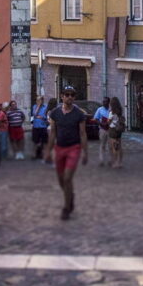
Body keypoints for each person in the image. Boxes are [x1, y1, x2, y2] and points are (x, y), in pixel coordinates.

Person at [44, 87, 88, 220]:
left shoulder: (79, 114)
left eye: (72, 95)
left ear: (74, 98)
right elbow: (52, 133)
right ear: (62, 96)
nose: (69, 97)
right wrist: (48, 151)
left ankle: (66, 207)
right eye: (67, 95)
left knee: (67, 178)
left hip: (74, 148)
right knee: (61, 180)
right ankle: (70, 196)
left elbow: (82, 133)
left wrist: (85, 152)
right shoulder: (55, 113)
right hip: (59, 148)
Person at [93, 97, 112, 166]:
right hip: (102, 129)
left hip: (110, 129)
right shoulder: (100, 109)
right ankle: (101, 160)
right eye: (103, 101)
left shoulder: (111, 110)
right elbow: (96, 118)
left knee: (110, 145)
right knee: (102, 145)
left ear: (108, 102)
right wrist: (101, 123)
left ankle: (110, 160)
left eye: (106, 101)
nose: (104, 103)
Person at [108, 97, 126, 169]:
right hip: (119, 130)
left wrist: (109, 121)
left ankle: (115, 163)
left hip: (113, 130)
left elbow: (109, 122)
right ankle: (120, 162)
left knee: (114, 147)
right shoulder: (120, 111)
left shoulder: (111, 113)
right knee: (119, 147)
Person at [30, 95, 50, 160]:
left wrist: (41, 117)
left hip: (43, 126)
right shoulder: (34, 106)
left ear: (42, 100)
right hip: (36, 126)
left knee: (44, 142)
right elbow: (34, 114)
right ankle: (34, 154)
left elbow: (46, 117)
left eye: (39, 100)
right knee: (35, 142)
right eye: (37, 100)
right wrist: (38, 106)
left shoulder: (45, 107)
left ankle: (44, 155)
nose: (37, 101)